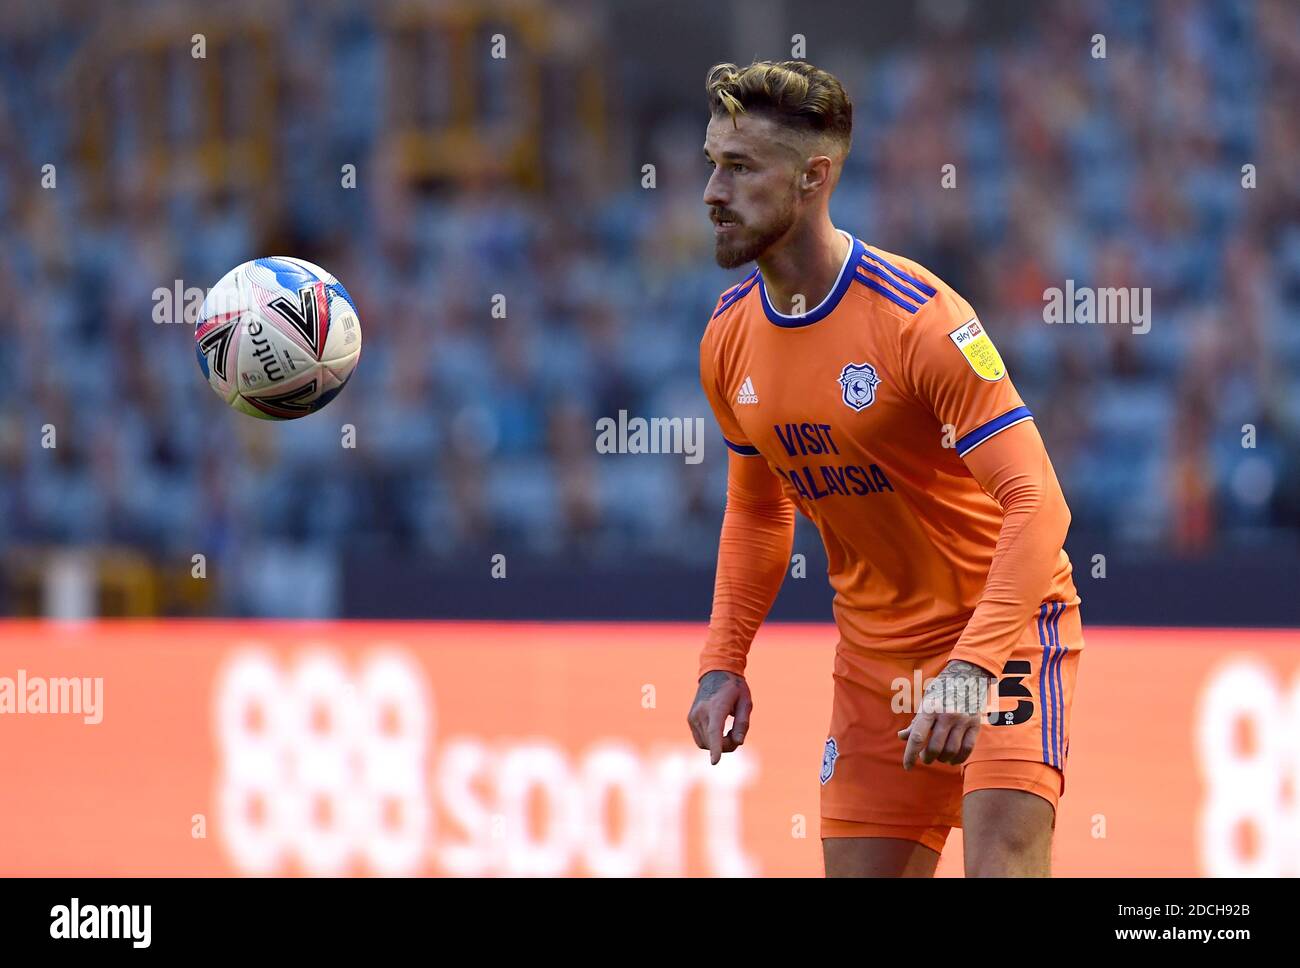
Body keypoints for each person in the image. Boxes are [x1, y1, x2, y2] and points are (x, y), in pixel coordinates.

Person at [685, 60, 1082, 877]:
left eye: (739, 167)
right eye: (710, 162)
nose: (711, 191)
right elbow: (760, 514)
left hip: (1000, 638)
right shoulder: (726, 340)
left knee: (1004, 864)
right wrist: (723, 661)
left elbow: (1038, 504)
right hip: (873, 661)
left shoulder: (920, 322)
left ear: (812, 178)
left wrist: (973, 668)